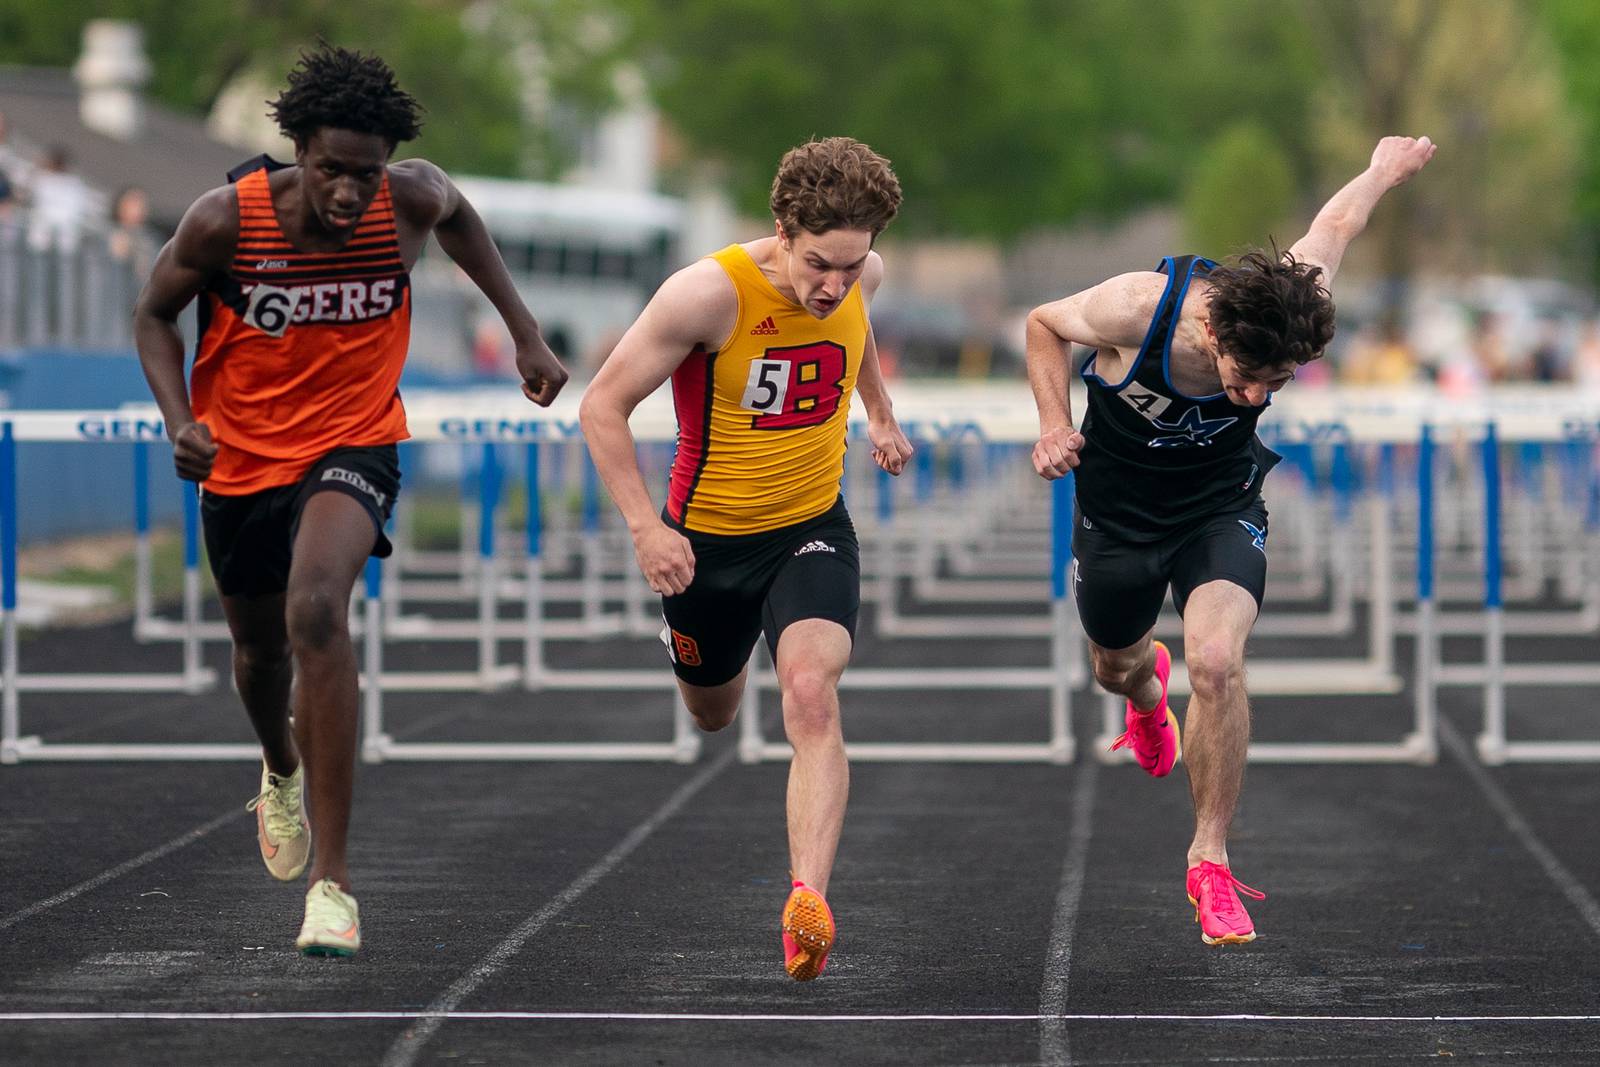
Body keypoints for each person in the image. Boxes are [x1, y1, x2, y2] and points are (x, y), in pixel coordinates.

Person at [133, 44, 568, 957]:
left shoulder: (407, 198)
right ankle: (279, 765)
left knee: (317, 610)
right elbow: (152, 313)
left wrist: (524, 333)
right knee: (258, 655)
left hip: (355, 438)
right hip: (241, 457)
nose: (348, 192)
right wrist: (182, 420)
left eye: (365, 173)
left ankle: (332, 884)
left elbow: (463, 221)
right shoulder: (225, 221)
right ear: (297, 150)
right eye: (331, 170)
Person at [1026, 135, 1436, 945]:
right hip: (1118, 513)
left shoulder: (1288, 305)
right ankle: (1147, 700)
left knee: (1218, 661)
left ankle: (1209, 860)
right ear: (1214, 330)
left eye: (1274, 385)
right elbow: (1043, 325)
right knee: (1116, 662)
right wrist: (1051, 425)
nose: (1253, 394)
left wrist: (1382, 171)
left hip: (1220, 506)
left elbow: (1334, 225)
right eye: (1245, 377)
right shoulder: (1140, 308)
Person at [579, 137, 912, 981]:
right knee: (715, 713)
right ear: (782, 229)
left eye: (852, 262)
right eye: (817, 264)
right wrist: (645, 531)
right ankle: (690, 646)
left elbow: (858, 328)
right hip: (707, 547)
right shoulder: (707, 294)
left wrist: (878, 411)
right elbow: (602, 407)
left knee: (810, 690)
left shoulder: (861, 278)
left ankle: (809, 901)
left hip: (810, 527)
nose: (833, 284)